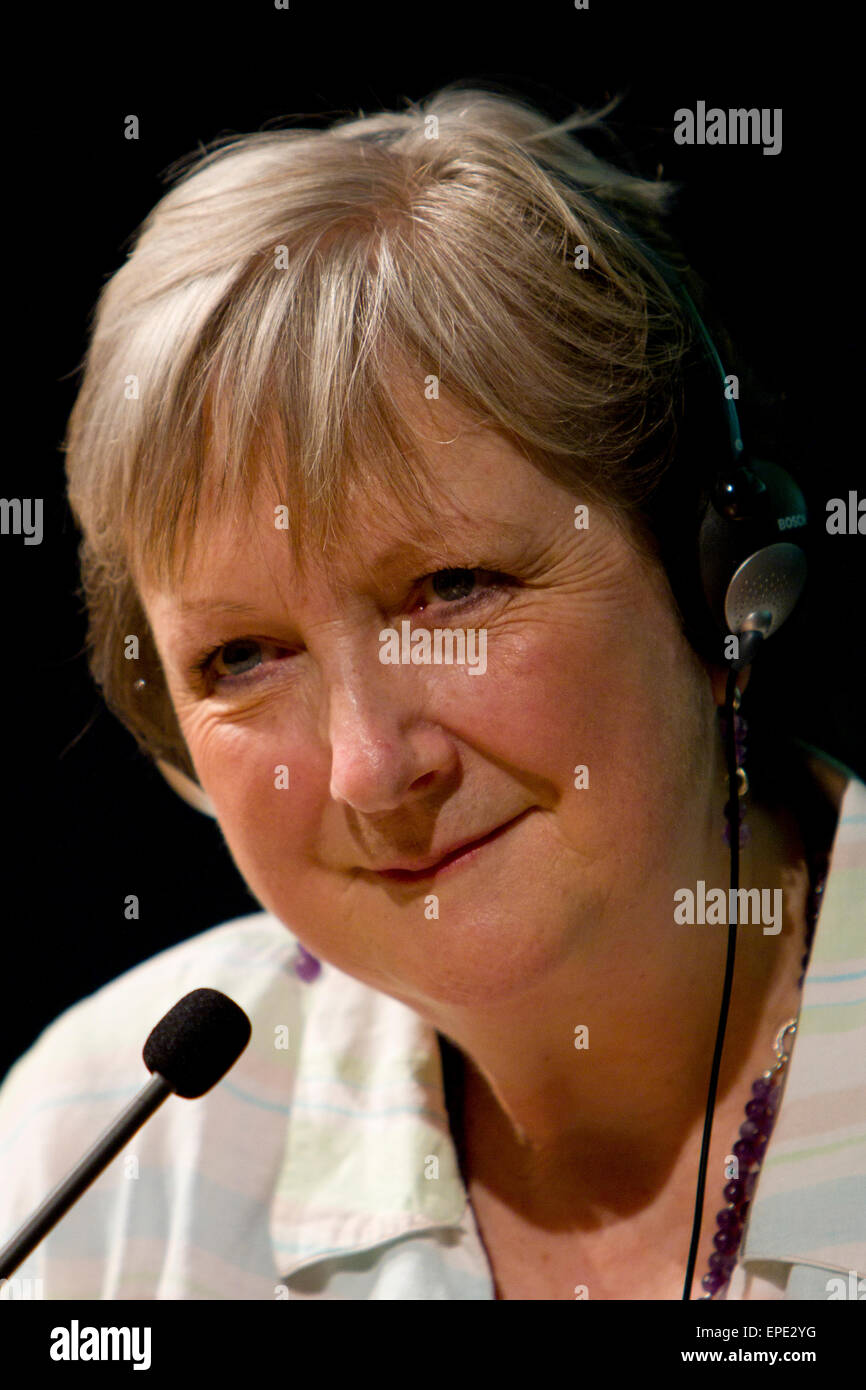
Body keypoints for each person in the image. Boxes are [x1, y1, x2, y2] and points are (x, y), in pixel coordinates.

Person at [0, 84, 863, 1302]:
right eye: (240, 658)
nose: (369, 767)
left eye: (449, 589)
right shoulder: (100, 1152)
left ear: (714, 574)